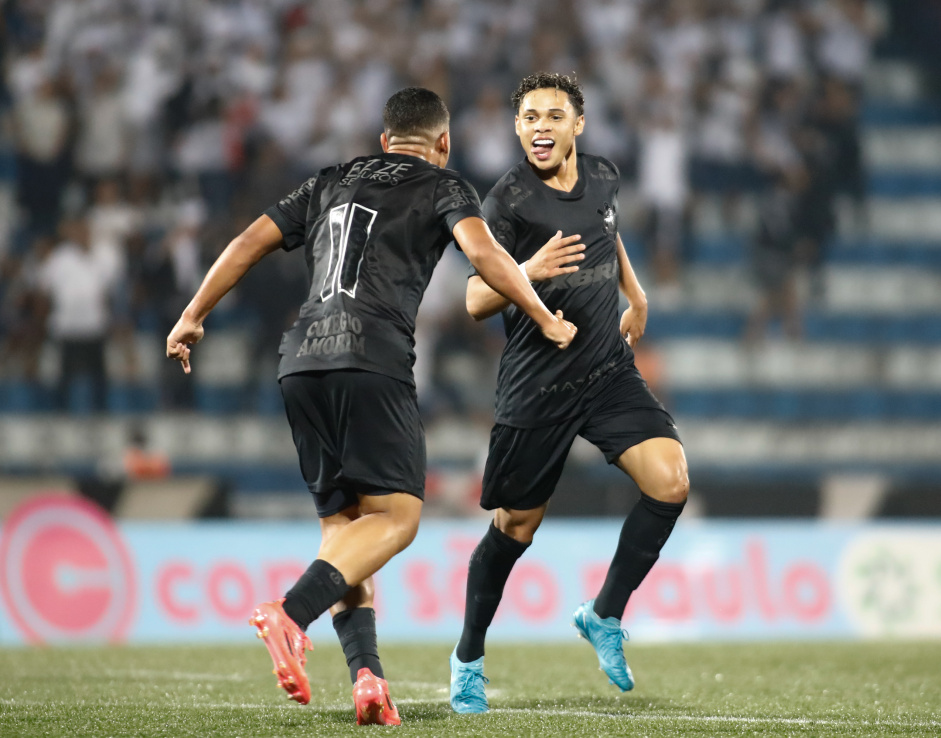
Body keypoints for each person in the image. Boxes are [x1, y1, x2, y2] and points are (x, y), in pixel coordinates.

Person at [165, 87, 576, 726]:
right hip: (372, 357)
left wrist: (193, 315)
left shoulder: (329, 180)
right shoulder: (446, 187)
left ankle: (367, 680)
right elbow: (486, 256)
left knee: (346, 530)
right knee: (399, 519)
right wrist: (541, 312)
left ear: (385, 140)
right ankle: (289, 613)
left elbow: (247, 240)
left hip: (300, 360)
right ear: (442, 144)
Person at [449, 73, 690, 714]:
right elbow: (473, 299)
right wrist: (525, 272)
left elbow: (608, 234)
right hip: (538, 384)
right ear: (518, 128)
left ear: (577, 125)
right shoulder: (506, 202)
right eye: (529, 118)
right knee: (516, 529)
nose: (540, 127)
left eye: (554, 116)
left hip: (607, 371)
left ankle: (603, 616)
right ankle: (468, 656)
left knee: (670, 480)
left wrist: (635, 294)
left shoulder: (606, 177)